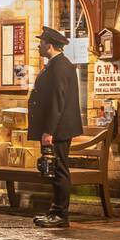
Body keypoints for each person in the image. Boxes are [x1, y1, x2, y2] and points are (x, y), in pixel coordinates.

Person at [27, 27, 83, 228]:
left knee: (59, 170)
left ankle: (60, 214)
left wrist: (49, 131)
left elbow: (57, 100)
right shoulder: (56, 64)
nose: (38, 46)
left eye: (41, 43)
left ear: (49, 45)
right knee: (55, 169)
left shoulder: (60, 66)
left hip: (58, 129)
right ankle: (55, 212)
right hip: (56, 128)